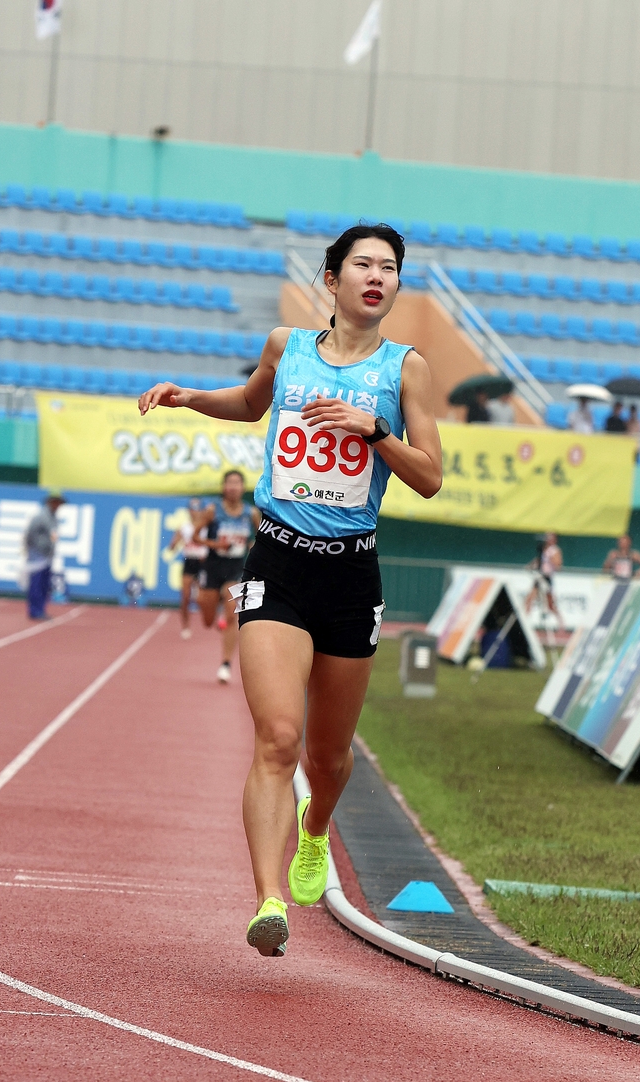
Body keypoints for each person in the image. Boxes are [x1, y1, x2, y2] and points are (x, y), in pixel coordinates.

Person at [138, 223, 442, 958]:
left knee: (327, 758)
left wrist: (374, 432)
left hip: (351, 571)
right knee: (278, 736)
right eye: (363, 264)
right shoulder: (288, 347)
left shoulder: (407, 370)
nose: (378, 276)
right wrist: (187, 397)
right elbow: (250, 404)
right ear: (330, 280)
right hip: (277, 560)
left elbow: (430, 476)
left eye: (390, 268)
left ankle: (314, 833)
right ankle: (268, 898)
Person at [196, 471, 260, 682]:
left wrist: (251, 546)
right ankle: (213, 610)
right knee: (207, 620)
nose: (233, 487)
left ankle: (225, 664)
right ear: (224, 487)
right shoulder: (213, 511)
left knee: (232, 609)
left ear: (243, 488)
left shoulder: (250, 513)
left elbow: (262, 539)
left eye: (237, 483)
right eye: (229, 483)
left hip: (237, 567)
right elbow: (195, 536)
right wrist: (216, 545)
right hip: (213, 567)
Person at [166, 496, 209, 639]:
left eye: (196, 509)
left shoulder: (207, 527)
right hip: (189, 561)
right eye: (191, 509)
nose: (194, 512)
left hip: (203, 563)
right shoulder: (184, 528)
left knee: (202, 599)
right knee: (185, 596)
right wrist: (174, 544)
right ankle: (185, 626)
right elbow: (173, 545)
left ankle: (208, 620)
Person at [23, 492, 65, 620]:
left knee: (44, 584)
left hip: (47, 555)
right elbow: (30, 534)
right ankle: (35, 610)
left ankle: (40, 609)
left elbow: (53, 536)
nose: (58, 506)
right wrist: (32, 549)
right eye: (55, 502)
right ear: (49, 502)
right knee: (36, 583)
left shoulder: (53, 517)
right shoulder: (41, 516)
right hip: (37, 555)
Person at [524, 532, 563, 628]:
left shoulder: (555, 550)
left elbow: (558, 565)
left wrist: (550, 559)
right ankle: (525, 622)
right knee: (529, 599)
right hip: (540, 576)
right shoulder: (544, 549)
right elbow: (540, 560)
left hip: (547, 578)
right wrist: (531, 565)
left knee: (550, 605)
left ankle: (561, 623)